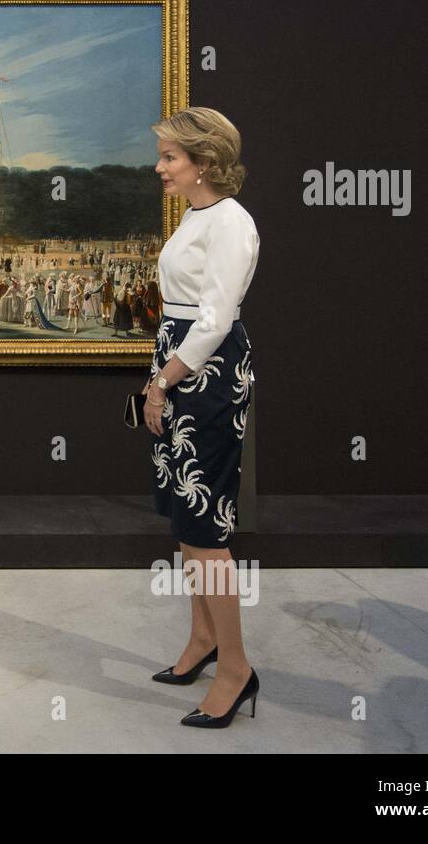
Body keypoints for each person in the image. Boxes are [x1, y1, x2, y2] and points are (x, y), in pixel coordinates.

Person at [142, 106, 260, 728]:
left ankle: (236, 667)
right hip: (182, 367)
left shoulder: (232, 222)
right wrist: (161, 376)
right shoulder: (197, 215)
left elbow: (214, 321)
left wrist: (162, 382)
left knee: (207, 529)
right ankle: (203, 640)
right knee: (188, 521)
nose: (159, 166)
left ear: (203, 162)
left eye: (170, 157)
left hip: (204, 376)